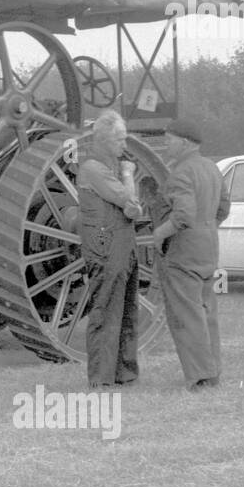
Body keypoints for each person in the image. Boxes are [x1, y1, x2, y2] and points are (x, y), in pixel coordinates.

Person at [151, 118, 230, 391]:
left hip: (183, 252)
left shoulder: (181, 173)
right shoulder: (211, 168)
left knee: (187, 316)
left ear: (184, 142)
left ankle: (199, 377)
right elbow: (224, 208)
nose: (165, 143)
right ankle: (213, 372)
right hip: (208, 247)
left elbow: (182, 216)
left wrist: (158, 234)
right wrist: (206, 228)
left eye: (169, 139)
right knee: (207, 312)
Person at [77, 110, 143, 388]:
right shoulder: (94, 169)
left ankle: (124, 374)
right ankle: (102, 378)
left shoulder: (107, 170)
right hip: (107, 249)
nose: (124, 146)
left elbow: (134, 210)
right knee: (105, 312)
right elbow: (129, 200)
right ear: (103, 140)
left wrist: (130, 203)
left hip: (123, 247)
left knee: (127, 311)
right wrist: (129, 176)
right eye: (119, 139)